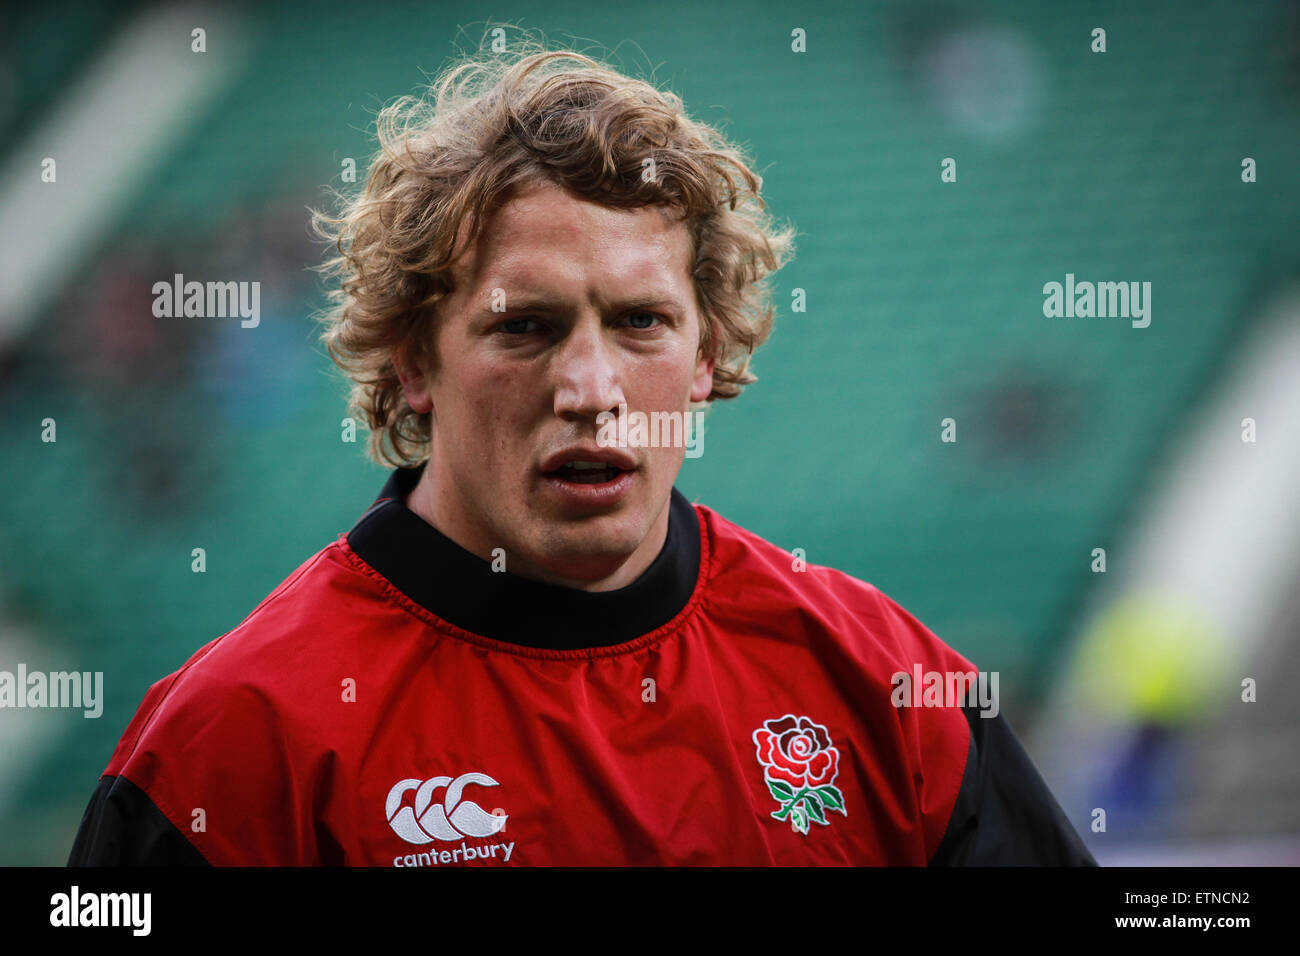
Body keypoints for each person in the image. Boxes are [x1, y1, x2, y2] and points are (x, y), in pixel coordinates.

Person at [68, 44, 1094, 866]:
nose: (590, 388)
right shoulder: (229, 747)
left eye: (642, 320)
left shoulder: (890, 688)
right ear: (415, 359)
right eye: (526, 327)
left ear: (707, 353)